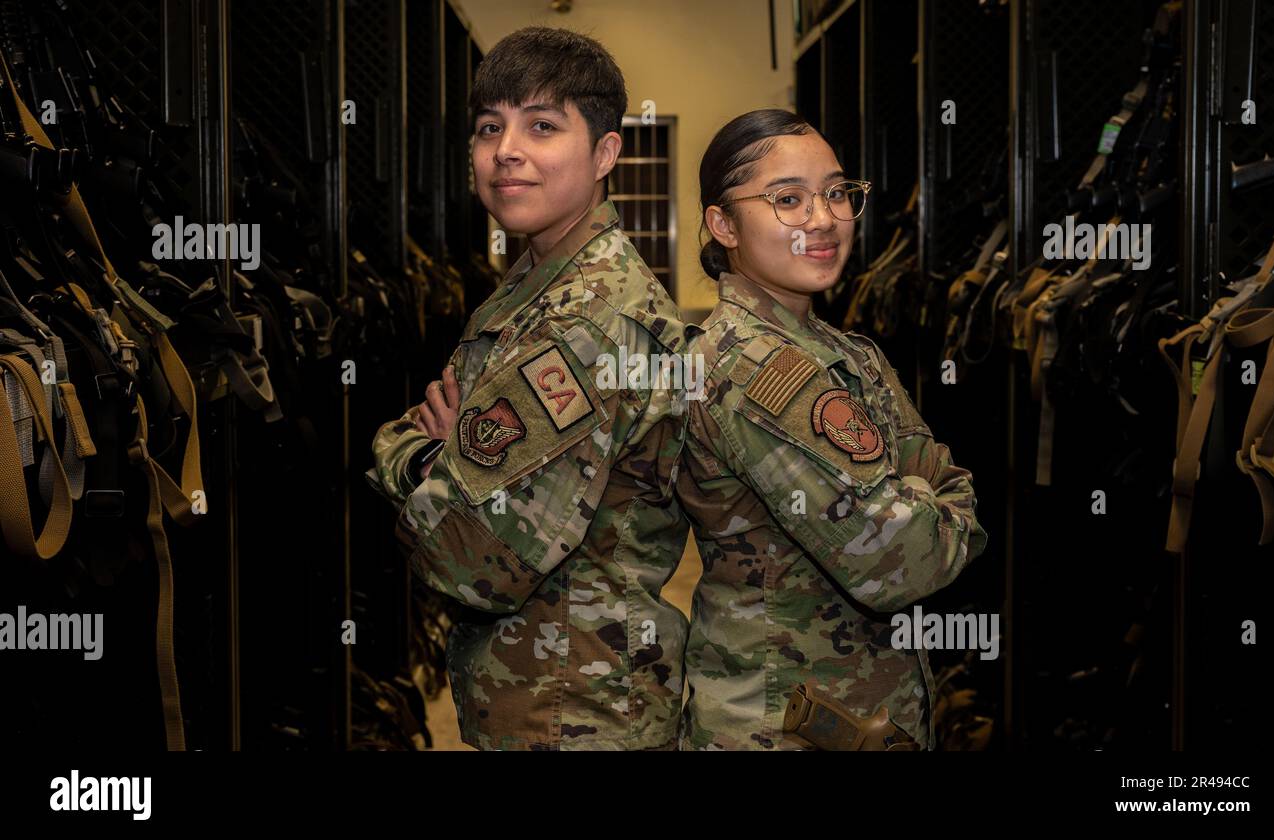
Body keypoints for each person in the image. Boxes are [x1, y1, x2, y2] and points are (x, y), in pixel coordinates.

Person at [368, 27, 690, 751]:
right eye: (490, 127)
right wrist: (450, 465)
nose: (505, 149)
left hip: (576, 713)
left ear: (605, 153)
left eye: (542, 125)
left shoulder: (589, 318)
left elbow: (472, 561)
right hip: (547, 698)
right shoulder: (536, 284)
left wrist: (419, 460)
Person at [676, 109, 988, 751]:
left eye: (837, 193)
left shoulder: (845, 353)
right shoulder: (759, 369)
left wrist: (923, 496)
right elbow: (906, 559)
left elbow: (938, 475)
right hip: (790, 729)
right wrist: (927, 503)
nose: (822, 220)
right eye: (787, 199)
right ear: (722, 224)